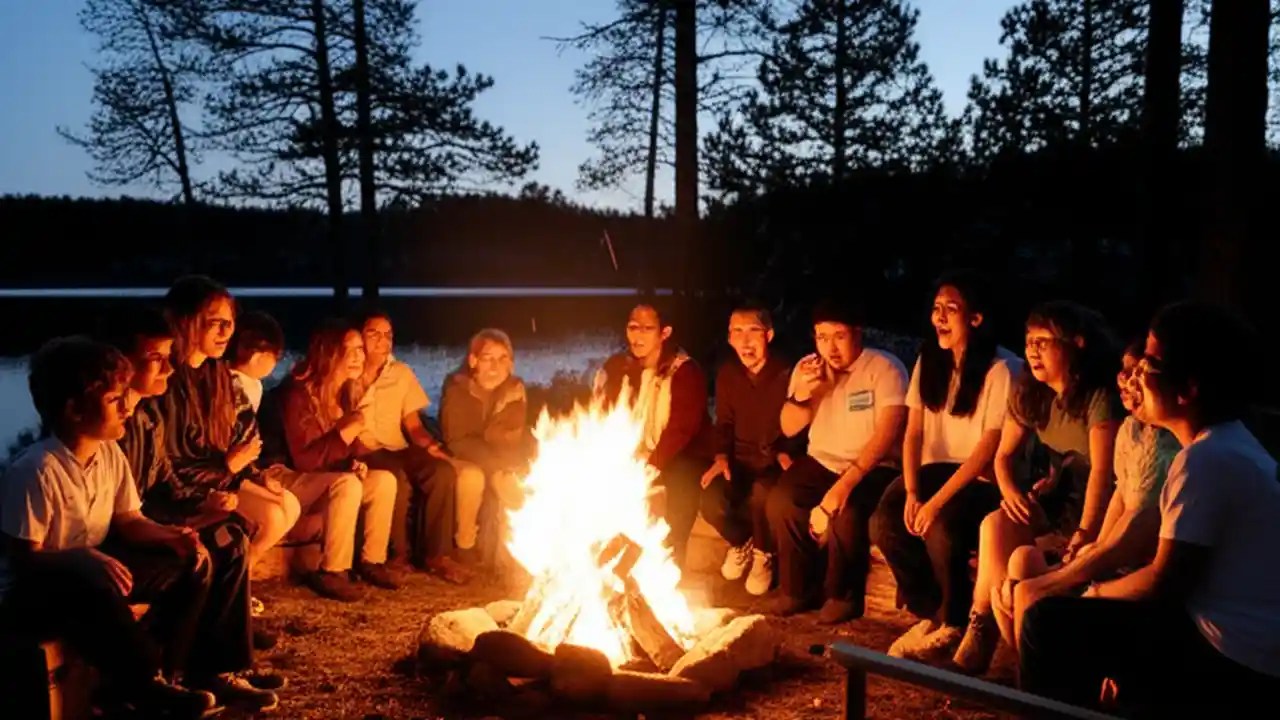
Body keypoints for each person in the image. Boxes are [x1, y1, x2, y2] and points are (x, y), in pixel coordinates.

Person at [1019, 301, 1280, 714]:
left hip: (1231, 654)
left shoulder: (1208, 459)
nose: (1137, 372)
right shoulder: (1225, 447)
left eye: (1151, 365)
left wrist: (1097, 594)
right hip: (1231, 639)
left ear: (1189, 387)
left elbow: (1165, 584)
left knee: (1046, 622)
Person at [0, 337, 265, 717]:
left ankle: (174, 674)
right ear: (74, 410)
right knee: (95, 587)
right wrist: (82, 559)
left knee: (194, 561)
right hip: (40, 591)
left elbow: (129, 519)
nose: (127, 407)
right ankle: (141, 685)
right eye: (113, 400)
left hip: (89, 568)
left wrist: (172, 536)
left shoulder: (108, 453)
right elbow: (25, 560)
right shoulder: (37, 470)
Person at [100, 305, 287, 666]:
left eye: (168, 358)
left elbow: (168, 479)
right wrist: (180, 526)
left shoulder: (149, 417)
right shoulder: (112, 428)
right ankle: (177, 670)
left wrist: (206, 504)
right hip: (127, 537)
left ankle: (229, 663)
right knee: (206, 553)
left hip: (149, 521)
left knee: (229, 532)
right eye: (157, 359)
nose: (170, 368)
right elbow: (129, 511)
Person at [951, 300, 1124, 675]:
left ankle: (1024, 659)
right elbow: (1002, 456)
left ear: (1075, 344)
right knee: (994, 524)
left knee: (1019, 562)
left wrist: (1085, 533)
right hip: (1058, 498)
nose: (1032, 350)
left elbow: (1102, 473)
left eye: (1043, 341)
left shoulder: (1098, 398)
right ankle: (980, 629)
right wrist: (1010, 491)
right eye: (1029, 341)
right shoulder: (1031, 391)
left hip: (1095, 510)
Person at [868, 271, 1019, 661]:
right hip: (935, 471)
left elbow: (987, 448)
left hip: (978, 478)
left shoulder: (1001, 369)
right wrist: (914, 490)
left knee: (941, 528)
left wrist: (933, 504)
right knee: (884, 522)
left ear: (975, 318)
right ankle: (931, 611)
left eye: (951, 309)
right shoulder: (929, 360)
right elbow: (913, 431)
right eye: (936, 308)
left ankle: (954, 620)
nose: (940, 316)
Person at [992, 338, 1179, 649]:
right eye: (1125, 371)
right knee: (1021, 562)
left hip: (1138, 563)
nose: (1128, 381)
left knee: (1028, 589)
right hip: (1111, 546)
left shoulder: (1174, 447)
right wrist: (1091, 549)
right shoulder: (1131, 430)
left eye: (1139, 372)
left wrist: (1087, 561)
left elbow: (1138, 520)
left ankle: (1032, 682)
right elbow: (1122, 496)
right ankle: (1017, 660)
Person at [766, 297, 908, 623]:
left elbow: (889, 431)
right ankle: (796, 590)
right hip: (822, 461)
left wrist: (845, 485)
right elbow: (788, 426)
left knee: (849, 512)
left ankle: (843, 596)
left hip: (874, 466)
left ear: (857, 333)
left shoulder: (884, 368)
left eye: (839, 336)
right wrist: (805, 394)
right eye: (821, 337)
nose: (830, 347)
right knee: (782, 500)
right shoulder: (809, 369)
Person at [348, 306, 480, 584]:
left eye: (388, 335)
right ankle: (397, 556)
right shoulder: (347, 372)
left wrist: (431, 446)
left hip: (397, 447)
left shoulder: (401, 373)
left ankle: (437, 556)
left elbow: (413, 425)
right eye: (374, 334)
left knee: (440, 473)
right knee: (396, 479)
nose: (382, 341)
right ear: (359, 336)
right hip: (364, 449)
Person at [269, 319, 400, 600]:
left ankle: (372, 561)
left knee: (383, 481)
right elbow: (304, 460)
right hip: (281, 476)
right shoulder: (295, 395)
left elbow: (343, 451)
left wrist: (355, 461)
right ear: (329, 353)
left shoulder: (344, 393)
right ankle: (332, 571)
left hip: (319, 477)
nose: (358, 357)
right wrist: (343, 435)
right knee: (347, 485)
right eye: (348, 350)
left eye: (359, 349)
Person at [595, 300, 711, 568]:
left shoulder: (684, 371)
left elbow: (682, 429)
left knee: (679, 484)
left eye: (647, 328)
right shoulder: (618, 367)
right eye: (633, 327)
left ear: (665, 333)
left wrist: (651, 464)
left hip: (680, 455)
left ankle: (670, 563)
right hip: (636, 452)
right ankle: (607, 562)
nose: (638, 336)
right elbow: (603, 413)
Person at [699, 301, 795, 596]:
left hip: (773, 461)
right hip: (739, 461)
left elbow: (801, 419)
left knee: (760, 497)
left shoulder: (787, 372)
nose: (745, 340)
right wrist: (720, 457)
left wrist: (784, 452)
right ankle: (742, 543)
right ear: (729, 338)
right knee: (709, 498)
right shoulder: (728, 374)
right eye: (736, 332)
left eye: (753, 331)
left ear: (769, 335)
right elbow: (724, 421)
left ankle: (764, 555)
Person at [439, 328, 535, 570]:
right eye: (488, 358)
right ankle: (465, 546)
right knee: (473, 477)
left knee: (520, 479)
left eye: (503, 359)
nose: (495, 367)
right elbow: (456, 439)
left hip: (500, 456)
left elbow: (510, 436)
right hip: (457, 454)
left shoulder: (514, 389)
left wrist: (508, 463)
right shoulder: (457, 388)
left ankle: (513, 555)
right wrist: (497, 466)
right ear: (473, 361)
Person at [225, 309, 301, 572]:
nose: (276, 363)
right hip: (225, 475)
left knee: (290, 504)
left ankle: (245, 570)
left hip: (244, 472)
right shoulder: (229, 385)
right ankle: (239, 577)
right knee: (274, 515)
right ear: (258, 356)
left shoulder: (253, 387)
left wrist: (259, 476)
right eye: (275, 357)